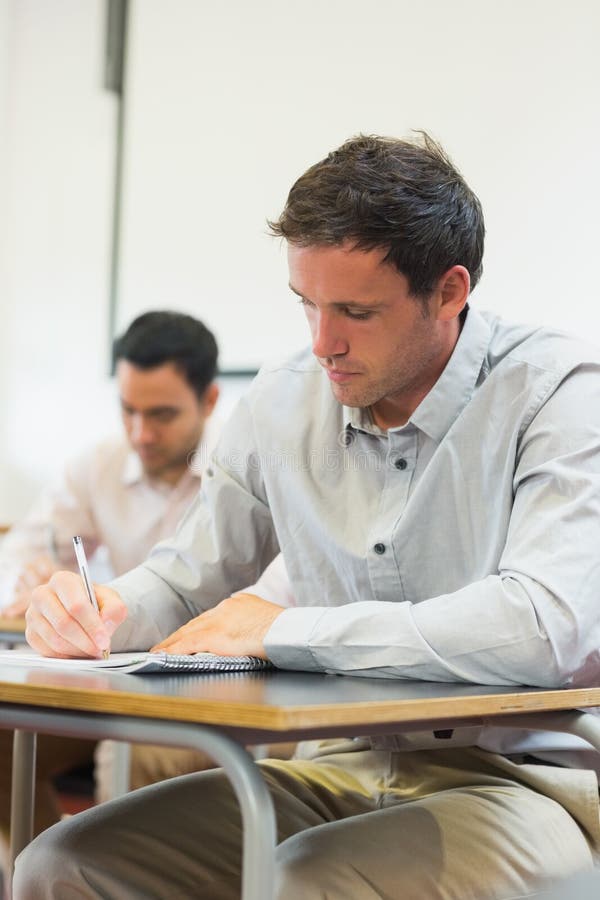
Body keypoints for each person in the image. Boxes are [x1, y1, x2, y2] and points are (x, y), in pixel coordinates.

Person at [16, 133, 600, 899]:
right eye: (306, 305)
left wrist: (281, 631)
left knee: (306, 880)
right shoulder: (282, 399)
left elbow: (540, 627)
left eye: (357, 311)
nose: (323, 343)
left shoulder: (557, 392)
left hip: (530, 782)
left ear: (451, 291)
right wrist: (102, 610)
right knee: (61, 867)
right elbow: (188, 579)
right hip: (337, 767)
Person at [0, 310, 293, 838]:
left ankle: (97, 868)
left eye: (161, 414)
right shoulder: (98, 465)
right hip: (113, 674)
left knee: (131, 748)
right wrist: (34, 580)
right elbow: (22, 545)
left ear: (209, 401)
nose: (142, 432)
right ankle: (46, 871)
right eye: (128, 410)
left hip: (221, 685)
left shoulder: (254, 468)